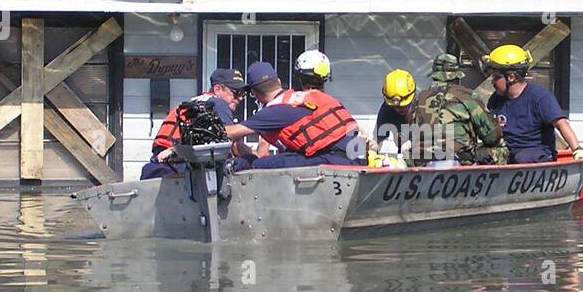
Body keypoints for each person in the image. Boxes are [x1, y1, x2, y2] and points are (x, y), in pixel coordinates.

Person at [225, 59, 361, 170]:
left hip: (337, 160)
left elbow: (230, 133)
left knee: (255, 165)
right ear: (278, 81)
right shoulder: (304, 97)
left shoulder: (275, 110)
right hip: (359, 155)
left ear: (254, 93)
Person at [483, 44, 583, 169]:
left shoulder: (540, 97)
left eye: (496, 78)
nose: (492, 82)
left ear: (511, 77)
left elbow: (561, 124)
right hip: (507, 152)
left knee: (521, 158)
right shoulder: (495, 100)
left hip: (536, 154)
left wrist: (577, 149)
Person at [140, 68, 245, 179]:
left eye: (243, 94)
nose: (241, 98)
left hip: (160, 160)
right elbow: (232, 145)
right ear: (218, 89)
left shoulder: (196, 101)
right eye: (236, 93)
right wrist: (255, 154)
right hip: (176, 160)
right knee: (244, 163)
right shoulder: (218, 103)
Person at [411, 53, 508, 165]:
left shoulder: (419, 98)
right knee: (501, 150)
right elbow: (491, 137)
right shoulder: (467, 96)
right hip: (458, 161)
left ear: (434, 75)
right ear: (457, 76)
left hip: (422, 161)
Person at [375, 69, 417, 156]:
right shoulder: (387, 110)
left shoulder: (424, 107)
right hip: (403, 156)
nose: (399, 109)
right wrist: (372, 151)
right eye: (395, 107)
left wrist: (412, 143)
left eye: (404, 105)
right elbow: (378, 141)